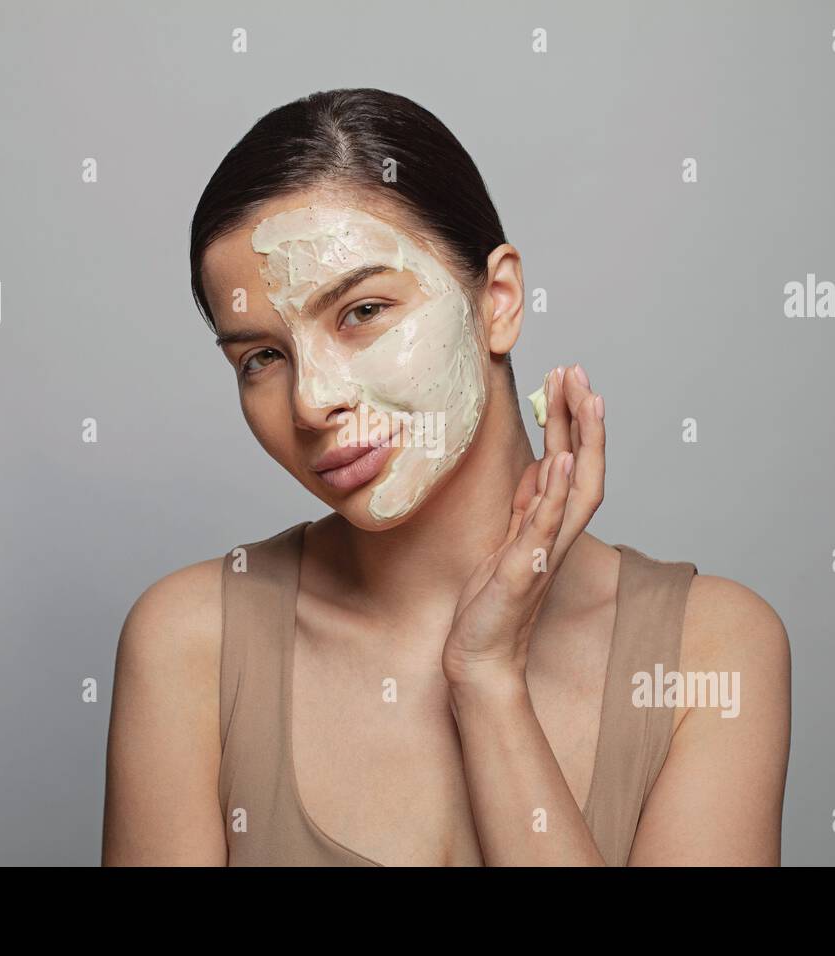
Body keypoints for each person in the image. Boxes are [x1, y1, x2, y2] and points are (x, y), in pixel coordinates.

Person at [102, 88, 791, 866]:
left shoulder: (708, 652)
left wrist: (487, 678)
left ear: (496, 301)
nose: (309, 399)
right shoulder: (191, 644)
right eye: (260, 357)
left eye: (361, 312)